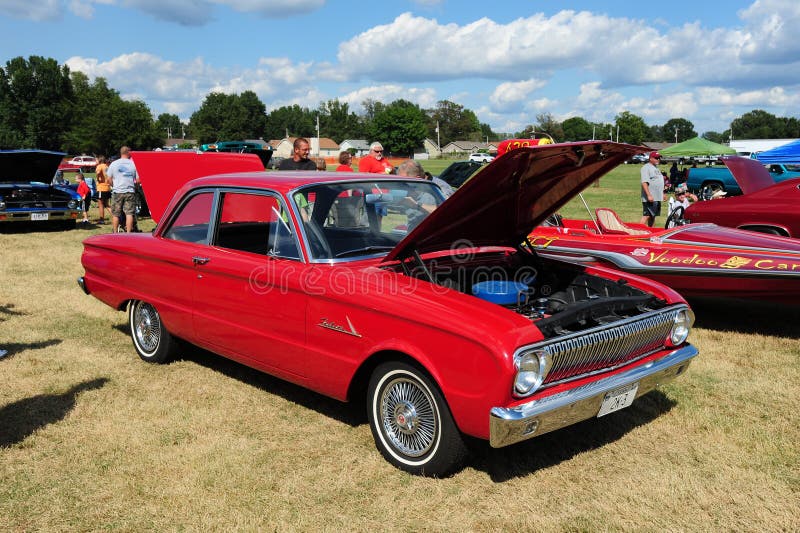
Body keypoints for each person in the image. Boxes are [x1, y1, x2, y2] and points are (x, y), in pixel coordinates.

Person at [107, 146, 139, 233]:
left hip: (117, 191)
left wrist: (114, 185)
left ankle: (115, 232)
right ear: (128, 153)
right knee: (129, 213)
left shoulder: (114, 164)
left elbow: (109, 179)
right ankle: (128, 232)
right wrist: (134, 186)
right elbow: (138, 179)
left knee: (115, 214)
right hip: (130, 191)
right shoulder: (133, 164)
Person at [640, 151, 664, 227]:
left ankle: (651, 232)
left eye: (659, 158)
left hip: (656, 197)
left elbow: (658, 182)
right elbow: (644, 182)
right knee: (647, 215)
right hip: (650, 197)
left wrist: (662, 194)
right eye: (656, 158)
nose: (658, 159)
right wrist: (649, 195)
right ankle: (636, 231)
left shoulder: (656, 168)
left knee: (652, 216)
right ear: (650, 158)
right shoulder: (646, 168)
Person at [94, 155, 111, 224]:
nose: (95, 161)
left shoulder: (99, 166)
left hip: (101, 187)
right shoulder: (107, 166)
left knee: (101, 204)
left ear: (99, 160)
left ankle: (101, 220)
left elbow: (98, 173)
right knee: (106, 204)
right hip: (107, 187)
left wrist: (98, 178)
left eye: (96, 160)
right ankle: (117, 218)